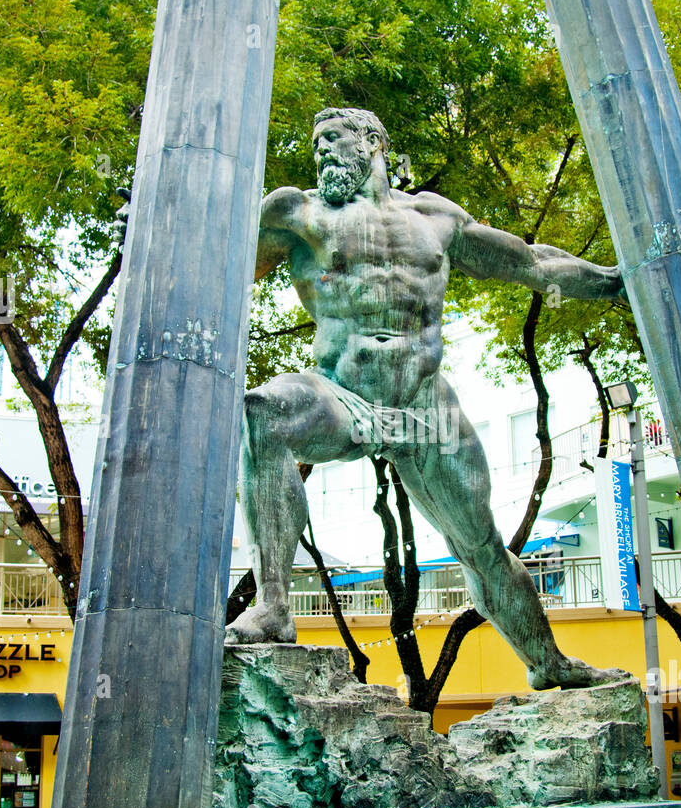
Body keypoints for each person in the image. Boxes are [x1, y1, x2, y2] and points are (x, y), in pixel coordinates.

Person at [229, 106, 625, 689]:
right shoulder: (296, 211)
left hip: (423, 405)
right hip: (341, 394)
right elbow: (225, 261)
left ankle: (550, 665)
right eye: (316, 144)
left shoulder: (437, 217)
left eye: (332, 139)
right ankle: (273, 608)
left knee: (482, 545)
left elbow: (534, 263)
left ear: (372, 140)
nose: (320, 152)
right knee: (261, 414)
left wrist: (618, 283)